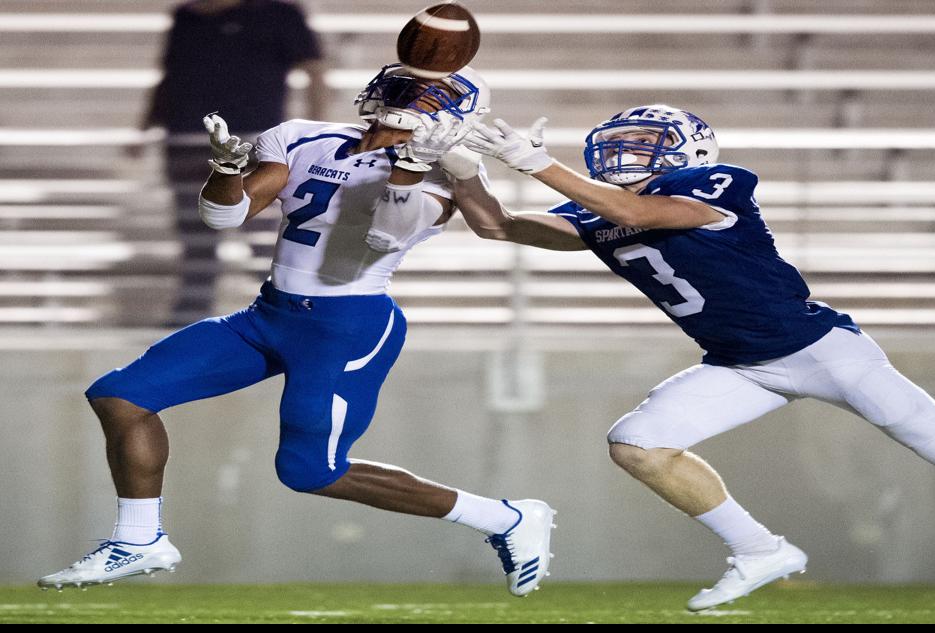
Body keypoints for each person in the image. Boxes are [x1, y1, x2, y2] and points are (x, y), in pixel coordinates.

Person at [441, 105, 935, 613]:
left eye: (648, 144)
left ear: (689, 151)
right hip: (736, 361)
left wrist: (538, 163)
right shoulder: (595, 210)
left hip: (821, 350)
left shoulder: (712, 186)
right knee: (637, 443)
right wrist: (458, 164)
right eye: (624, 144)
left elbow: (639, 215)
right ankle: (760, 550)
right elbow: (498, 227)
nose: (632, 156)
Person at [37, 65, 554, 597]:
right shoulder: (303, 136)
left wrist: (410, 168)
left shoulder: (451, 172)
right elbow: (224, 216)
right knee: (121, 395)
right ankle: (140, 539)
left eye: (427, 94)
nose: (408, 99)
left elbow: (383, 237)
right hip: (269, 314)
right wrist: (226, 167)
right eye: (404, 86)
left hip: (347, 324)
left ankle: (504, 518)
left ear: (453, 116)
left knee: (311, 471)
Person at [136, 0, 329, 325]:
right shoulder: (187, 17)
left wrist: (316, 132)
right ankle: (189, 316)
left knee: (265, 238)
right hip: (186, 142)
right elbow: (169, 76)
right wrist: (144, 128)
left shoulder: (279, 13)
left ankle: (289, 312)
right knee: (196, 237)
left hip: (254, 144)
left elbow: (315, 69)